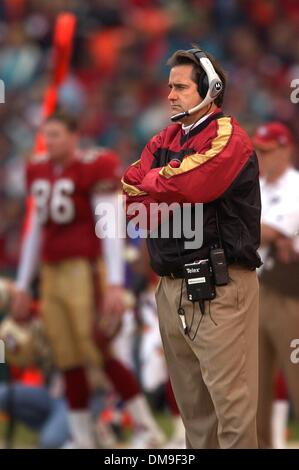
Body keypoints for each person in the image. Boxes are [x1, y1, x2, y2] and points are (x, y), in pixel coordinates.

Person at [122, 47, 262, 449]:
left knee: (231, 413)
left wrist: (162, 184)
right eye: (170, 86)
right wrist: (171, 186)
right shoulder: (163, 139)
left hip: (220, 286)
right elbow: (132, 195)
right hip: (168, 287)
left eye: (180, 87)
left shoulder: (228, 134)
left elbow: (197, 183)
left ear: (211, 89)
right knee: (196, 420)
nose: (170, 95)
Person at [11, 112, 164, 448]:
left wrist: (113, 284)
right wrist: (23, 285)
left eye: (56, 135)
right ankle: (82, 437)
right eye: (45, 135)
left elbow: (108, 228)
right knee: (66, 356)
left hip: (85, 270)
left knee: (98, 348)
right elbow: (36, 231)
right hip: (52, 273)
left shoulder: (94, 167)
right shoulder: (39, 170)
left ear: (74, 136)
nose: (49, 142)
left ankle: (145, 427)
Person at [252, 121, 299, 449]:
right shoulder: (256, 186)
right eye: (258, 150)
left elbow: (272, 233)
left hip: (287, 289)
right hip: (253, 289)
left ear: (286, 149)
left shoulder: (296, 186)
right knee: (253, 386)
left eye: (266, 151)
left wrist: (238, 224)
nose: (260, 157)